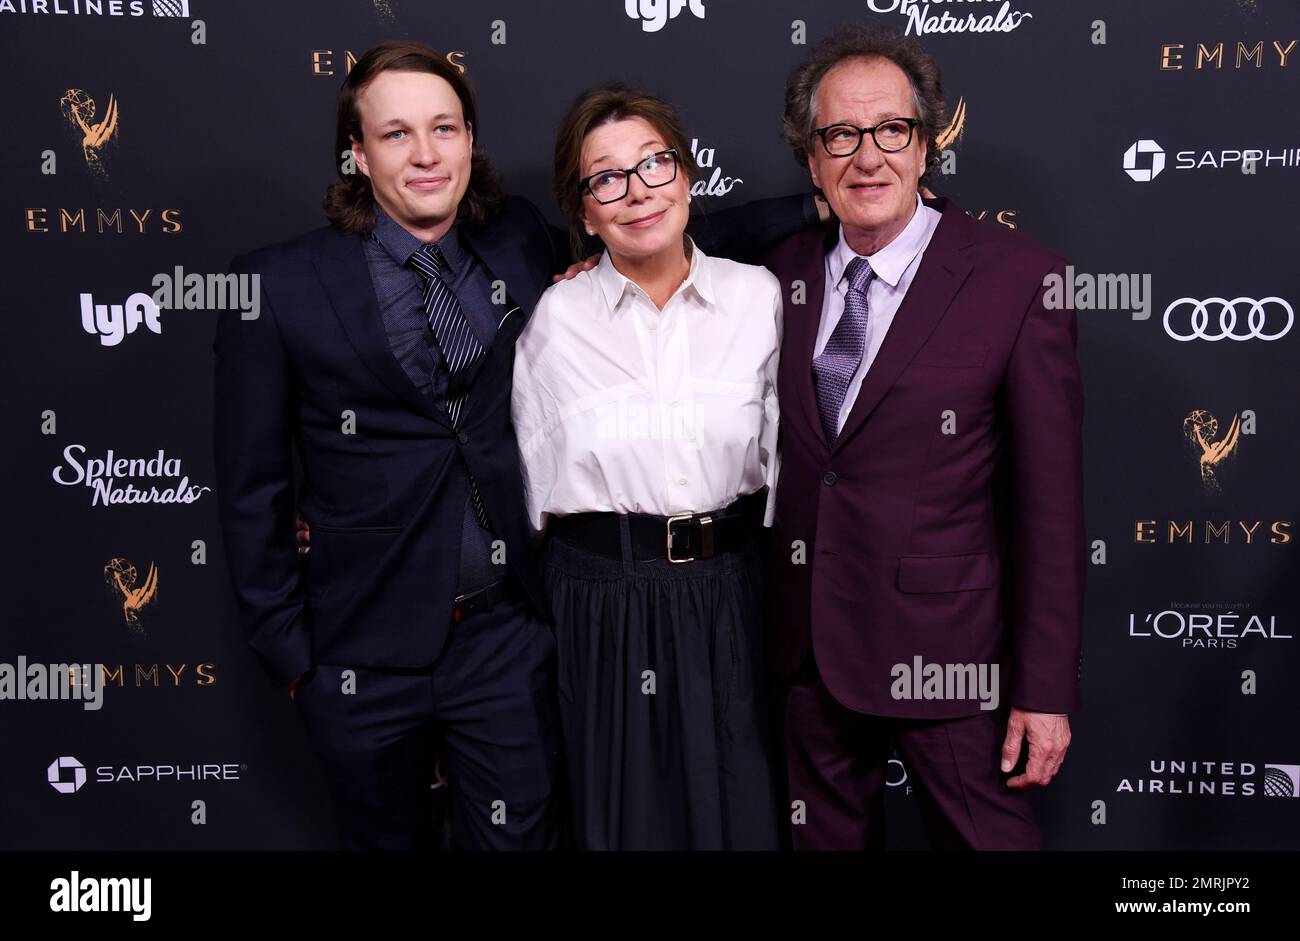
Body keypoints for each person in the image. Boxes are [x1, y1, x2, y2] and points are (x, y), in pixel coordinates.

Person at [219, 40, 817, 850]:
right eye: (396, 134)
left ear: (471, 139)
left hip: (509, 636)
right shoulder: (279, 286)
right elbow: (250, 492)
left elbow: (653, 223)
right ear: (356, 153)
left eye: (445, 128)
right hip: (360, 651)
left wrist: (833, 200)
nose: (427, 154)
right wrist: (295, 661)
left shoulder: (519, 245)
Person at [761, 26, 1084, 850]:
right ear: (812, 159)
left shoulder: (1017, 279)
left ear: (926, 142)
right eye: (840, 135)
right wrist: (595, 254)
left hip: (948, 661)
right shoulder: (781, 273)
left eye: (891, 131)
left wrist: (1043, 690)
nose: (867, 158)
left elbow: (1049, 510)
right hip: (809, 657)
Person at [511, 85, 784, 850]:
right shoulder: (554, 321)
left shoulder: (757, 298)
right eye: (607, 178)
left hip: (733, 596)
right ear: (585, 211)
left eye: (654, 164)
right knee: (624, 824)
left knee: (743, 817)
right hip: (603, 606)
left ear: (688, 178)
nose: (637, 193)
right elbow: (526, 491)